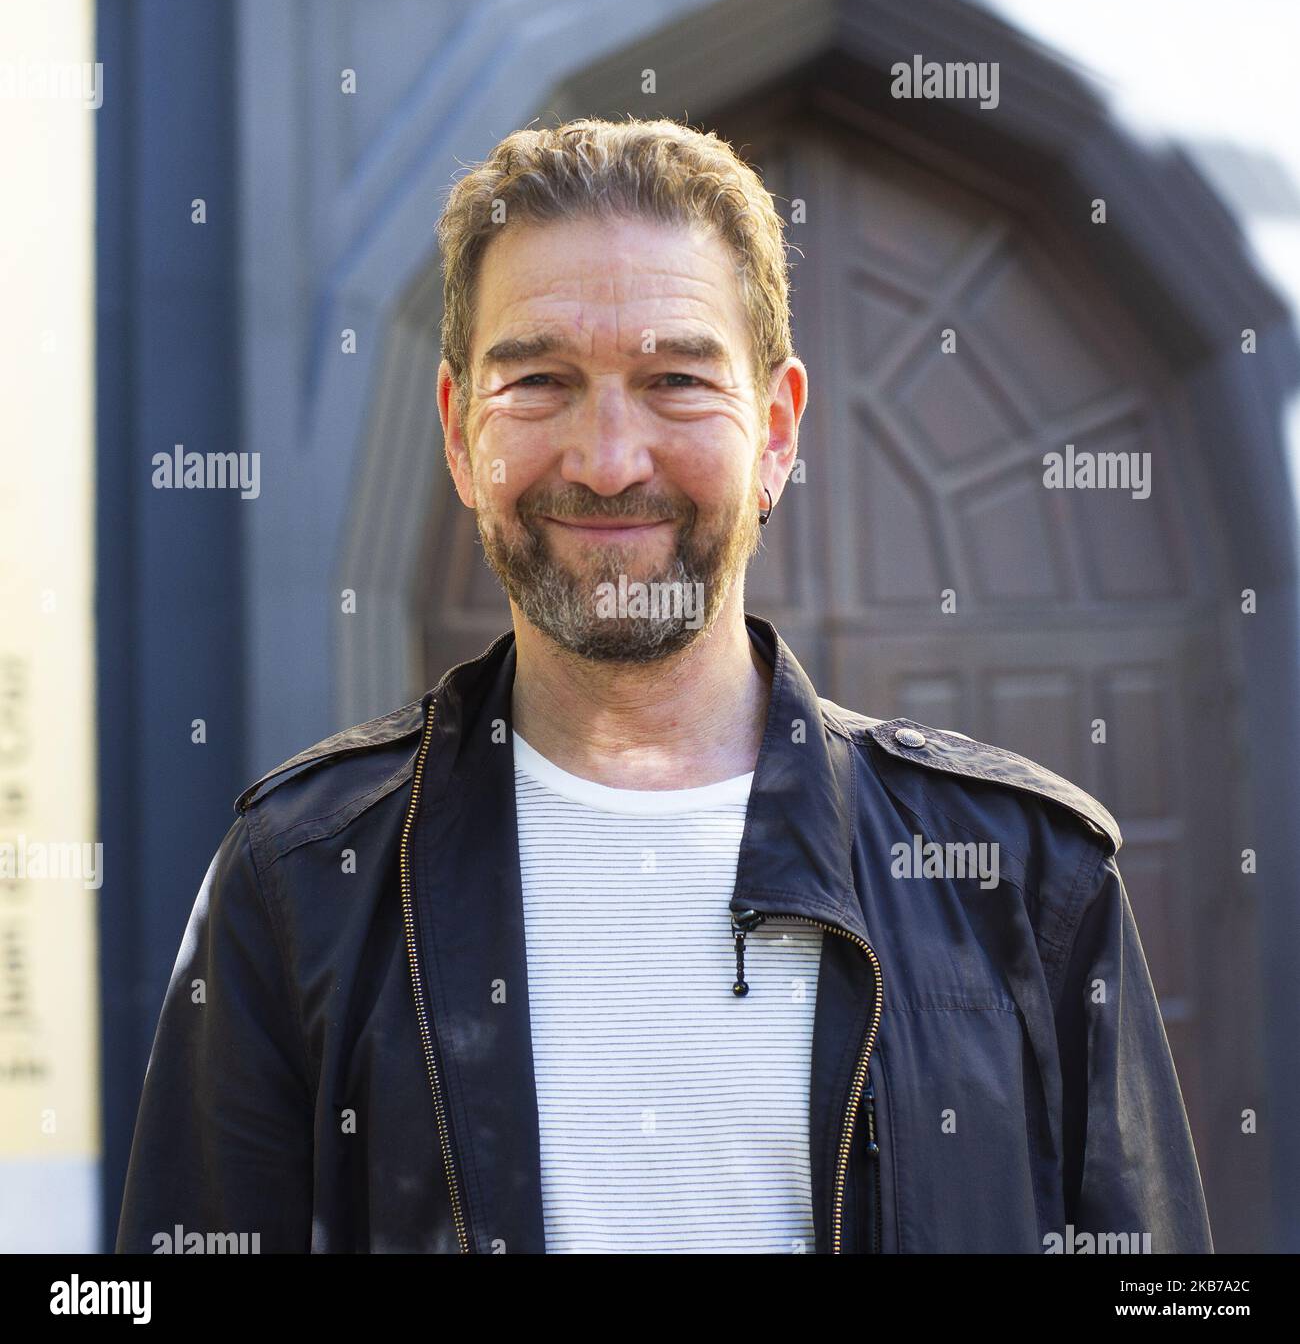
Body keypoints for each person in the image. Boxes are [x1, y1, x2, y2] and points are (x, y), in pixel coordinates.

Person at [116, 116, 1212, 1254]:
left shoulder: (1027, 878)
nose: (607, 459)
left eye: (675, 379)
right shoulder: (301, 883)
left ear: (777, 430)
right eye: (537, 379)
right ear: (455, 432)